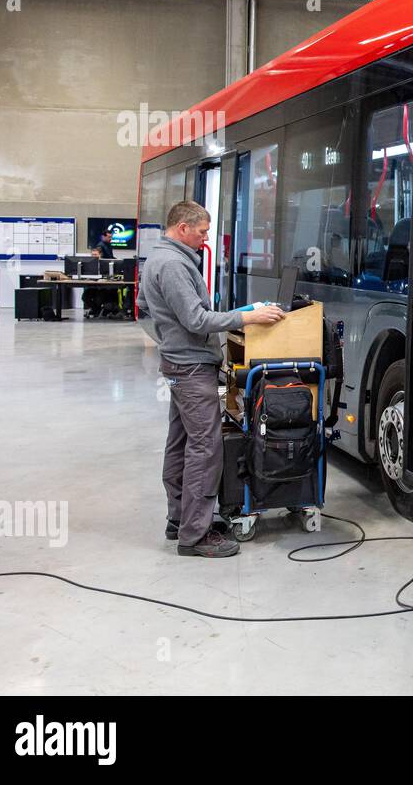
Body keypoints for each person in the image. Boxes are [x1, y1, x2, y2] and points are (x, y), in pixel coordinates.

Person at [139, 200, 284, 558]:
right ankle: (195, 535)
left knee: (181, 443)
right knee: (206, 448)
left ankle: (180, 519)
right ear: (182, 228)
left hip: (178, 364)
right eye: (202, 232)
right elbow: (196, 320)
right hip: (190, 368)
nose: (205, 239)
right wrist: (247, 318)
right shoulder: (172, 264)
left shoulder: (160, 258)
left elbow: (160, 309)